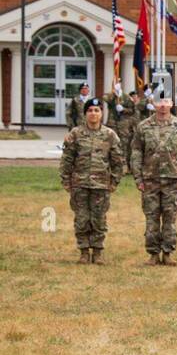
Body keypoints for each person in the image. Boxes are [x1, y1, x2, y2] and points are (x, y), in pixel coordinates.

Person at [60, 97, 124, 264]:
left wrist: (114, 181)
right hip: (79, 184)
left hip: (101, 185)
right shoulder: (75, 134)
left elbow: (118, 161)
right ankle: (83, 251)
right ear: (85, 114)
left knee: (98, 218)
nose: (93, 113)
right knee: (81, 218)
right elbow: (67, 159)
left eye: (97, 110)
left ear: (101, 114)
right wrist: (66, 180)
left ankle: (97, 252)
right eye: (90, 111)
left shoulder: (110, 135)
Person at [130, 96, 177, 266]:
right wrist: (138, 178)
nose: (163, 105)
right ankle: (153, 254)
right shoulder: (143, 127)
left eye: (166, 102)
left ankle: (168, 253)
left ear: (172, 104)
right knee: (151, 218)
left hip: (172, 179)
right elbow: (136, 153)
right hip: (150, 179)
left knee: (170, 218)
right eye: (159, 102)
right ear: (153, 103)